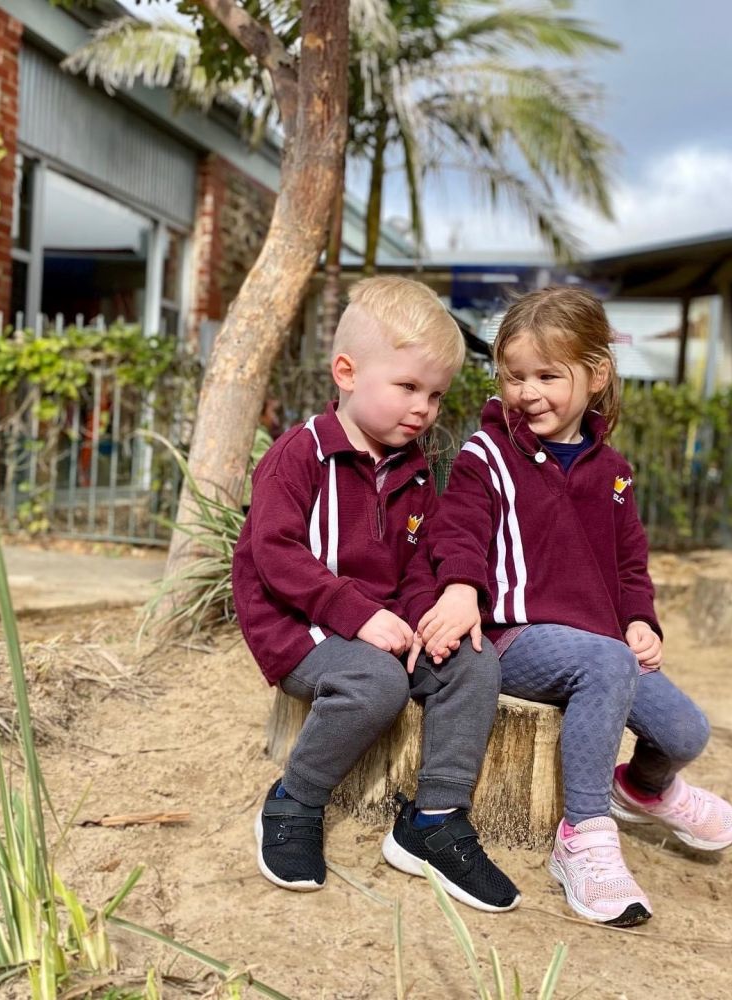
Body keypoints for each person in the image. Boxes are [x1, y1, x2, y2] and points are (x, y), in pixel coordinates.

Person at [411, 286, 732, 927]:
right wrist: (460, 588)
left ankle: (643, 788)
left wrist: (641, 618)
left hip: (602, 648)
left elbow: (629, 562)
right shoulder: (489, 457)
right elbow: (458, 530)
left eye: (546, 376)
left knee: (684, 731)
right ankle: (583, 838)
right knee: (605, 664)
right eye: (513, 376)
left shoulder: (612, 471)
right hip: (516, 636)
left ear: (595, 375)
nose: (527, 392)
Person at [231, 276, 520, 912]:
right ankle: (295, 800)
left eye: (437, 395)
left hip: (377, 626)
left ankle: (434, 821)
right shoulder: (298, 456)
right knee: (376, 684)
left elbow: (416, 567)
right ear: (347, 372)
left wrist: (429, 616)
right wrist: (357, 615)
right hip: (299, 624)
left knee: (475, 663)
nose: (424, 408)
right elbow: (274, 555)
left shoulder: (415, 470)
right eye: (408, 387)